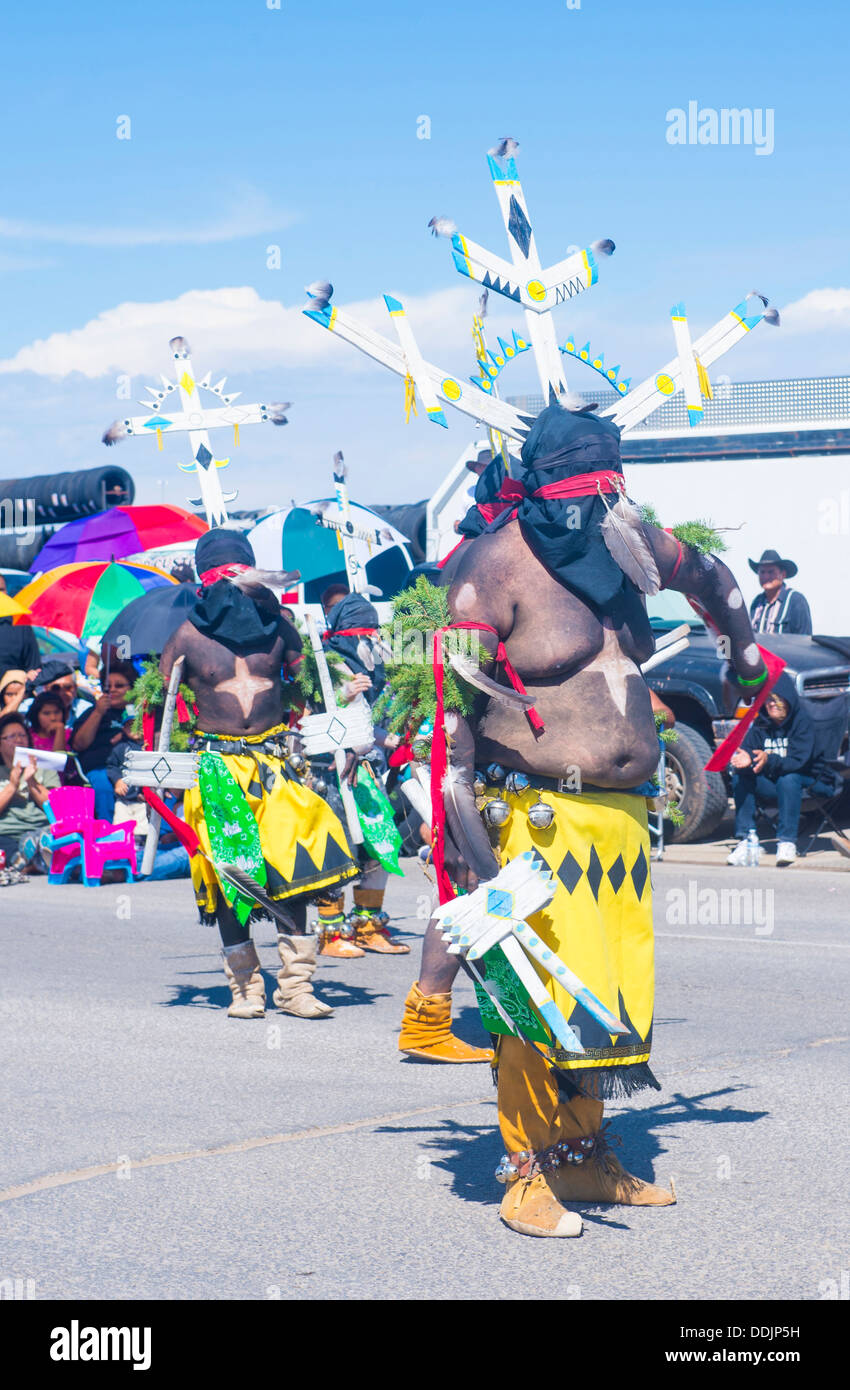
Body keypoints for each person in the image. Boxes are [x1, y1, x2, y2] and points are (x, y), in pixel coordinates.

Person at [404, 401, 769, 1238]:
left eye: (611, 488)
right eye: (582, 489)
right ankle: (525, 1174)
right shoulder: (490, 569)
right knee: (531, 1004)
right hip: (531, 820)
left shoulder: (627, 540)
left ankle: (587, 1158)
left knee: (603, 997)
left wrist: (745, 648)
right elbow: (452, 724)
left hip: (620, 824)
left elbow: (711, 577)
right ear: (540, 488)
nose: (599, 506)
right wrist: (463, 848)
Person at [159, 528, 358, 1020]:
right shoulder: (187, 635)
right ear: (206, 580)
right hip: (216, 768)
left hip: (275, 762)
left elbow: (311, 684)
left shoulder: (279, 627)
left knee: (295, 866)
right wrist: (158, 766)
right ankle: (245, 989)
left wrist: (341, 696)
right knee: (234, 877)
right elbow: (159, 705)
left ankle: (296, 987)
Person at [312, 584, 409, 958]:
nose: (369, 642)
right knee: (337, 850)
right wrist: (343, 696)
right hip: (328, 773)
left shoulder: (377, 668)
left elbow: (370, 727)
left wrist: (396, 740)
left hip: (365, 772)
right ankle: (330, 932)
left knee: (380, 844)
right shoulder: (321, 664)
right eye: (362, 635)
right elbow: (309, 719)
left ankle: (368, 924)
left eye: (373, 634)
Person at [727, 673, 834, 866]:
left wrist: (768, 759)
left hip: (813, 782)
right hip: (777, 785)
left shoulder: (802, 723)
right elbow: (750, 751)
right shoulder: (761, 725)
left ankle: (786, 841)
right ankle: (747, 838)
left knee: (789, 777)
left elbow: (798, 762)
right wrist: (746, 758)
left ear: (788, 700)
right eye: (767, 700)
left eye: (776, 700)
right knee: (741, 776)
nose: (771, 704)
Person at [69, 662, 139, 820]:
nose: (112, 690)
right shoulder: (92, 711)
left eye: (119, 685)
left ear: (133, 688)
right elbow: (79, 744)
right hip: (102, 767)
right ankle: (107, 831)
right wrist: (98, 712)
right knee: (104, 785)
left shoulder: (140, 712)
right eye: (108, 686)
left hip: (135, 766)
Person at [0, 712, 59, 867]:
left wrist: (32, 782)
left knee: (54, 838)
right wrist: (12, 785)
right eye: (11, 736)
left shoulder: (44, 767)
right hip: (8, 834)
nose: (19, 740)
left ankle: (33, 856)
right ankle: (32, 859)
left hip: (41, 828)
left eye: (22, 735)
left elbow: (55, 806)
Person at [748, 549, 812, 635]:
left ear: (783, 574)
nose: (766, 576)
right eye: (762, 572)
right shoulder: (757, 603)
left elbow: (804, 639)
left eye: (771, 572)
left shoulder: (796, 600)